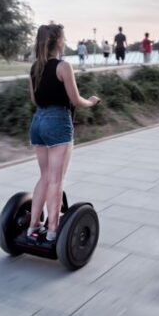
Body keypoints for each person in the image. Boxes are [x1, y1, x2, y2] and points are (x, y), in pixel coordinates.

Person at [18, 24, 100, 245]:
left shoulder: (34, 68)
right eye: (64, 38)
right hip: (57, 123)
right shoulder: (64, 67)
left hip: (38, 122)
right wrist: (91, 102)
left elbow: (34, 101)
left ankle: (33, 227)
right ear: (59, 41)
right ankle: (53, 230)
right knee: (56, 180)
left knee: (45, 176)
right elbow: (75, 100)